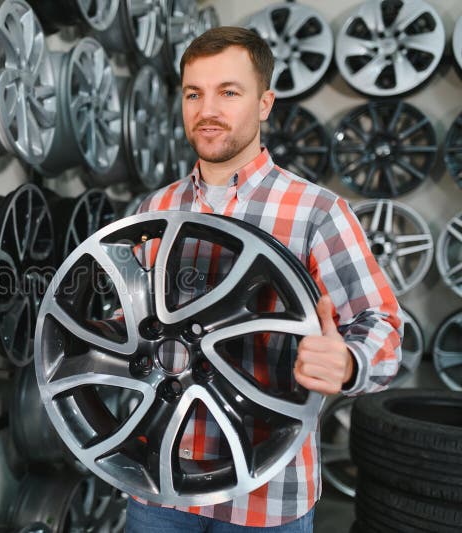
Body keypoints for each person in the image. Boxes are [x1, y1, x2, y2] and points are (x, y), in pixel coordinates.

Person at [125, 27, 402, 532]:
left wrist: (348, 361)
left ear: (265, 103)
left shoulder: (317, 212)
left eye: (229, 92)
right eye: (194, 94)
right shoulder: (155, 208)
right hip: (160, 485)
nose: (207, 110)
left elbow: (382, 325)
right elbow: (137, 321)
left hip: (265, 497)